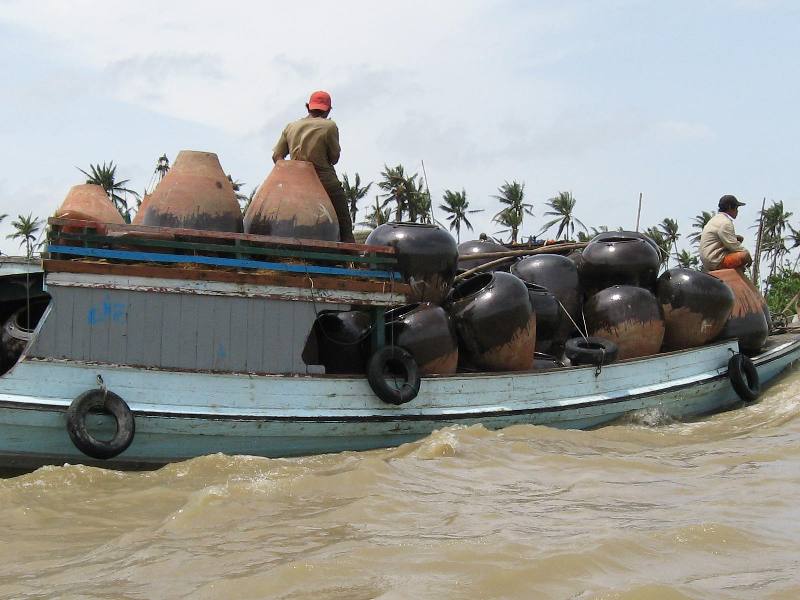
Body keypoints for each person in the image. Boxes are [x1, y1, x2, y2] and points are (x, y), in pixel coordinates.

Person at [272, 90, 355, 243]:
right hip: (324, 181)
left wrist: (291, 173)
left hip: (294, 179)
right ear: (328, 109)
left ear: (308, 107)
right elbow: (334, 158)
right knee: (344, 219)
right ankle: (352, 259)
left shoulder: (291, 126)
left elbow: (277, 156)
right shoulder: (329, 126)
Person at [699, 194, 752, 272]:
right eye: (736, 208)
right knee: (744, 255)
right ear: (730, 207)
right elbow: (733, 245)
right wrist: (748, 256)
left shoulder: (716, 219)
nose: (737, 211)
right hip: (715, 260)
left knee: (739, 239)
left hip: (709, 260)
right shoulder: (725, 222)